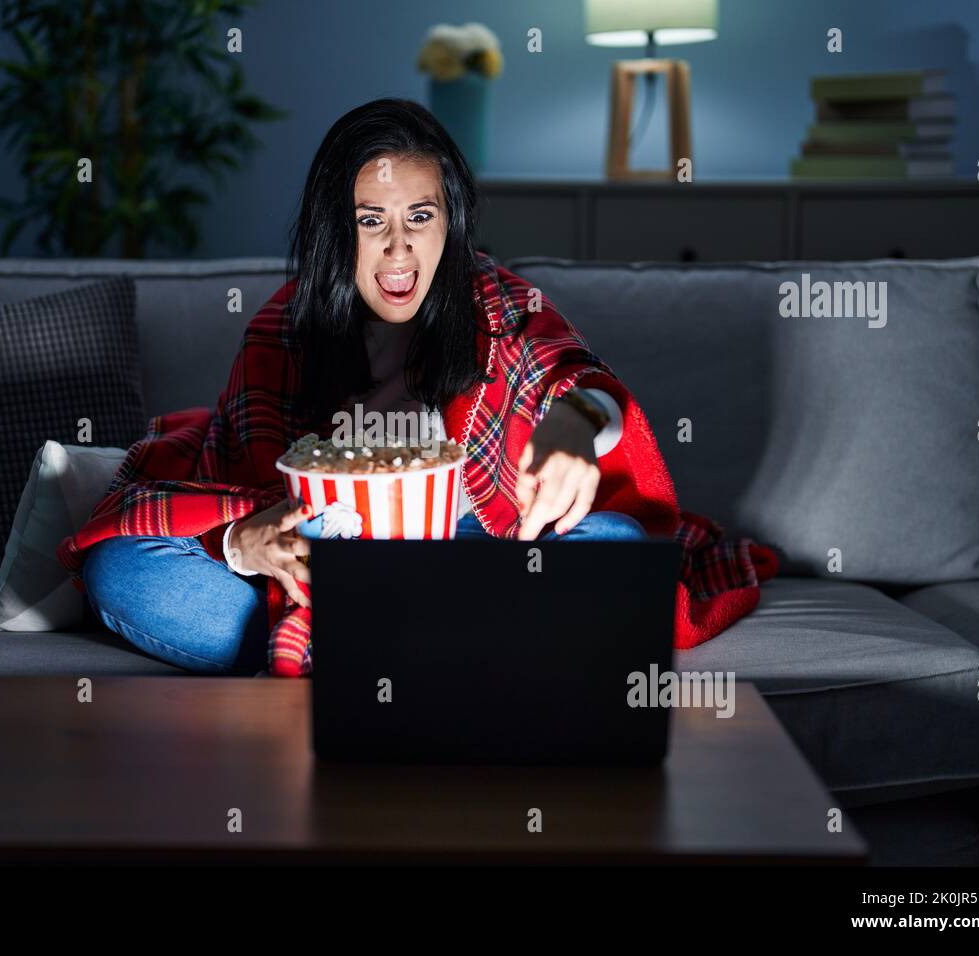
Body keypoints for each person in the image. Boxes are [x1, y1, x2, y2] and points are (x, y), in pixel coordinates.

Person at [61, 98, 776, 676]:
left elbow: (578, 380)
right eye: (370, 221)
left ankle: (374, 654)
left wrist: (575, 423)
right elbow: (241, 485)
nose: (398, 248)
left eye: (420, 218)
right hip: (321, 569)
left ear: (450, 223)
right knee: (121, 567)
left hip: (470, 549)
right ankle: (442, 656)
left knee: (616, 547)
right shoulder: (281, 329)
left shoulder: (499, 308)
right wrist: (240, 550)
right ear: (336, 233)